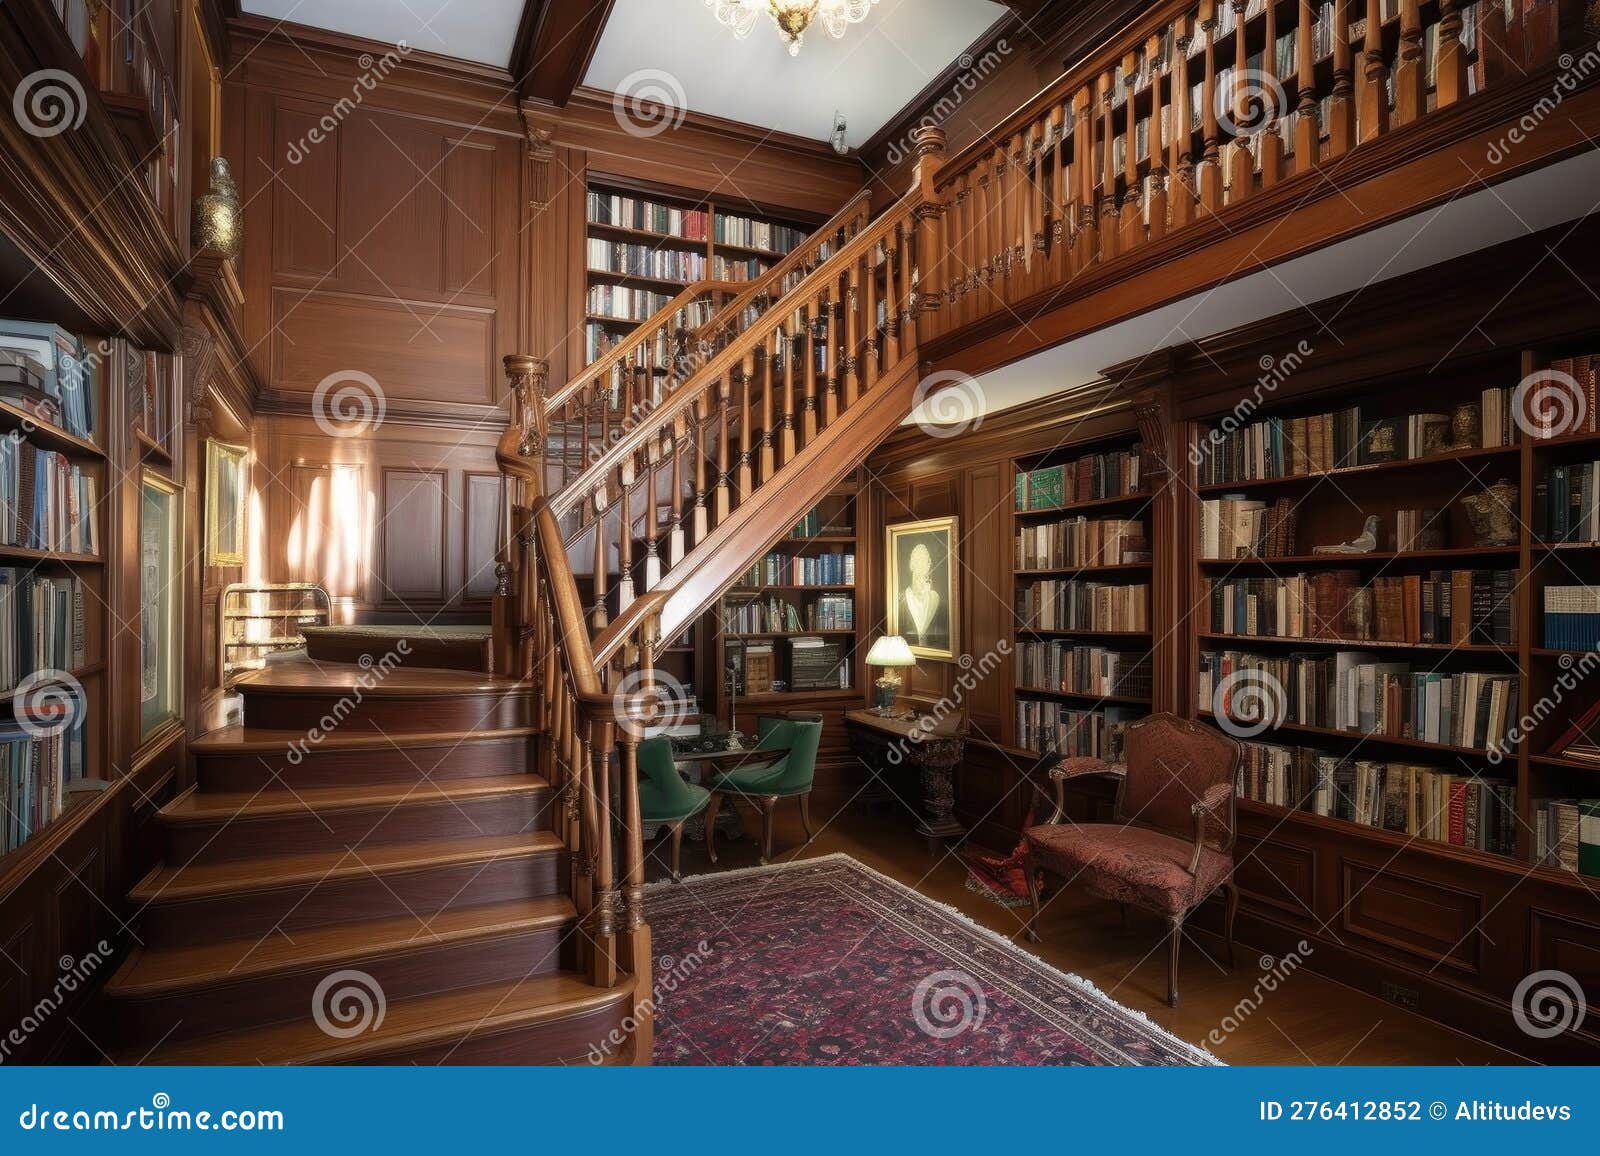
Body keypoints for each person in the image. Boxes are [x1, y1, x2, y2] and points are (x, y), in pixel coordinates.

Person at [902, 541, 941, 646]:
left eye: (924, 560)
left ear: (929, 565)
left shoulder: (935, 598)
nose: (921, 565)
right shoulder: (902, 598)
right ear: (911, 564)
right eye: (917, 560)